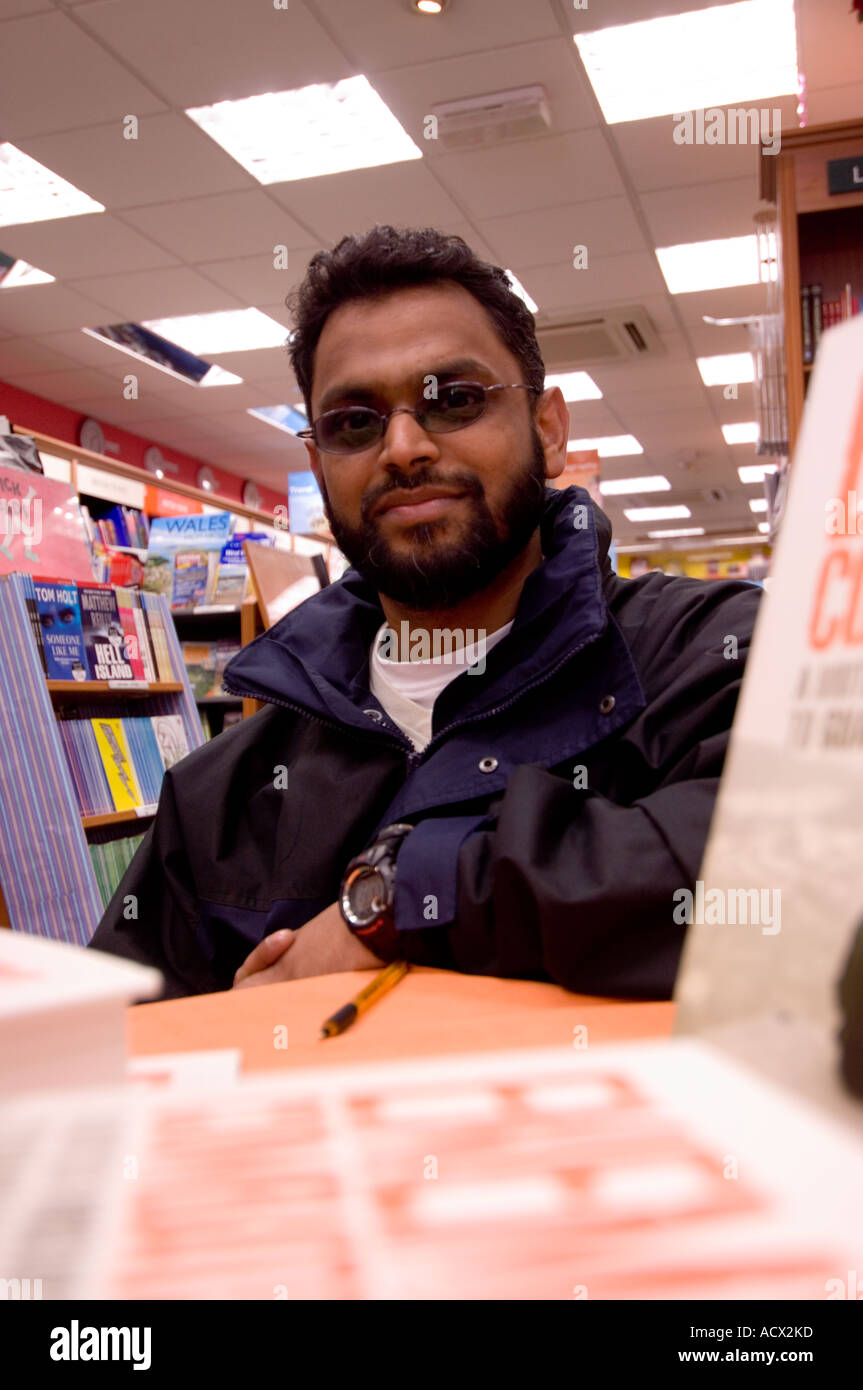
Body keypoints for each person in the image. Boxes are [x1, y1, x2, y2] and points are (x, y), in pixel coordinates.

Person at [88, 225, 760, 1000]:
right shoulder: (221, 795)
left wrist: (399, 900)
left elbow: (796, 861)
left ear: (547, 428)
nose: (402, 447)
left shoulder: (711, 656)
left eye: (454, 400)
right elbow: (113, 1056)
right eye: (354, 422)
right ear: (317, 461)